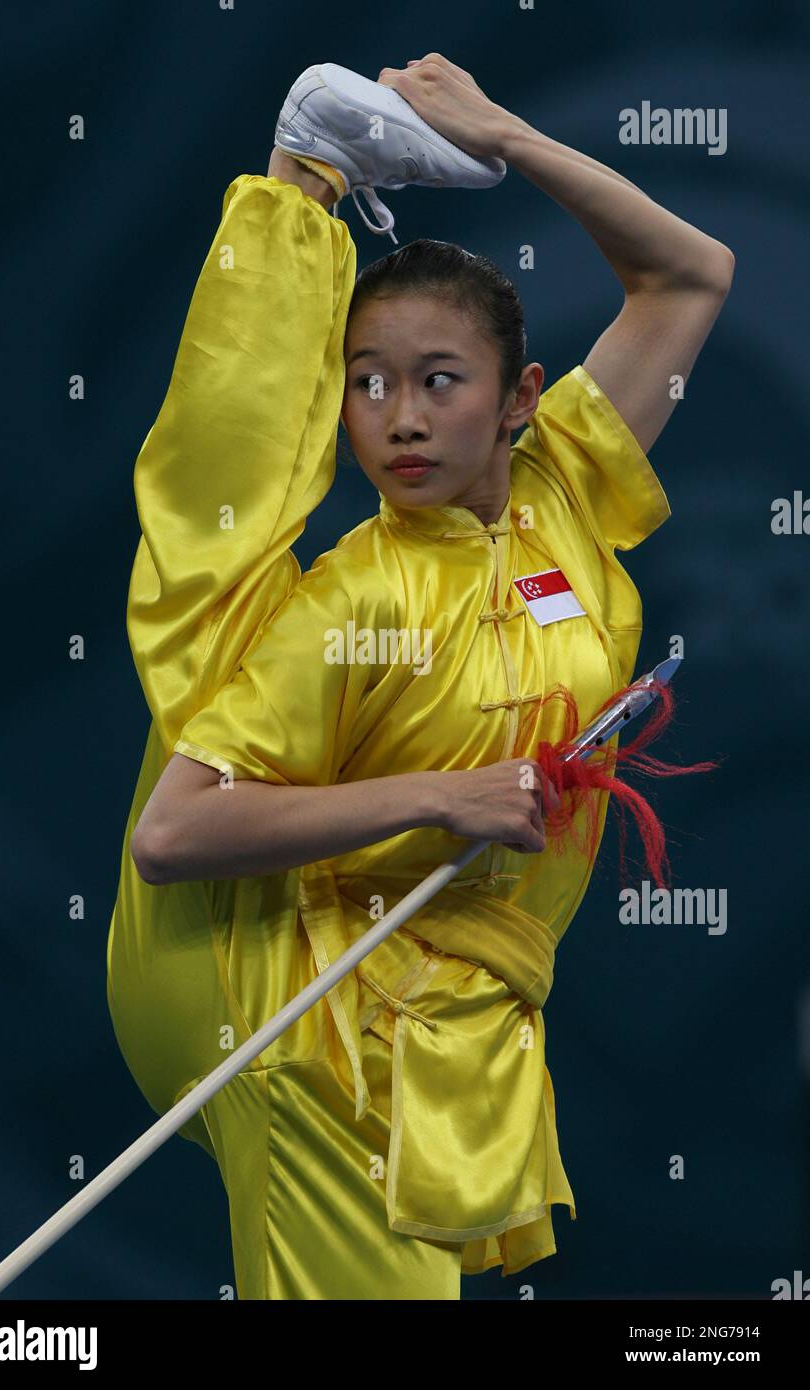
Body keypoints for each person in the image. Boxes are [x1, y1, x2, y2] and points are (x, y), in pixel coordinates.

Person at [107, 55, 734, 1300]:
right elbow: (171, 833)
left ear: (521, 402)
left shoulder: (563, 491)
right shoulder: (356, 593)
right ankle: (303, 180)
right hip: (284, 997)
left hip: (442, 1011)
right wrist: (438, 795)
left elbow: (691, 273)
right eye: (368, 384)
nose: (396, 418)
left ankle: (314, 162)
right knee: (215, 558)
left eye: (438, 382)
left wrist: (508, 134)